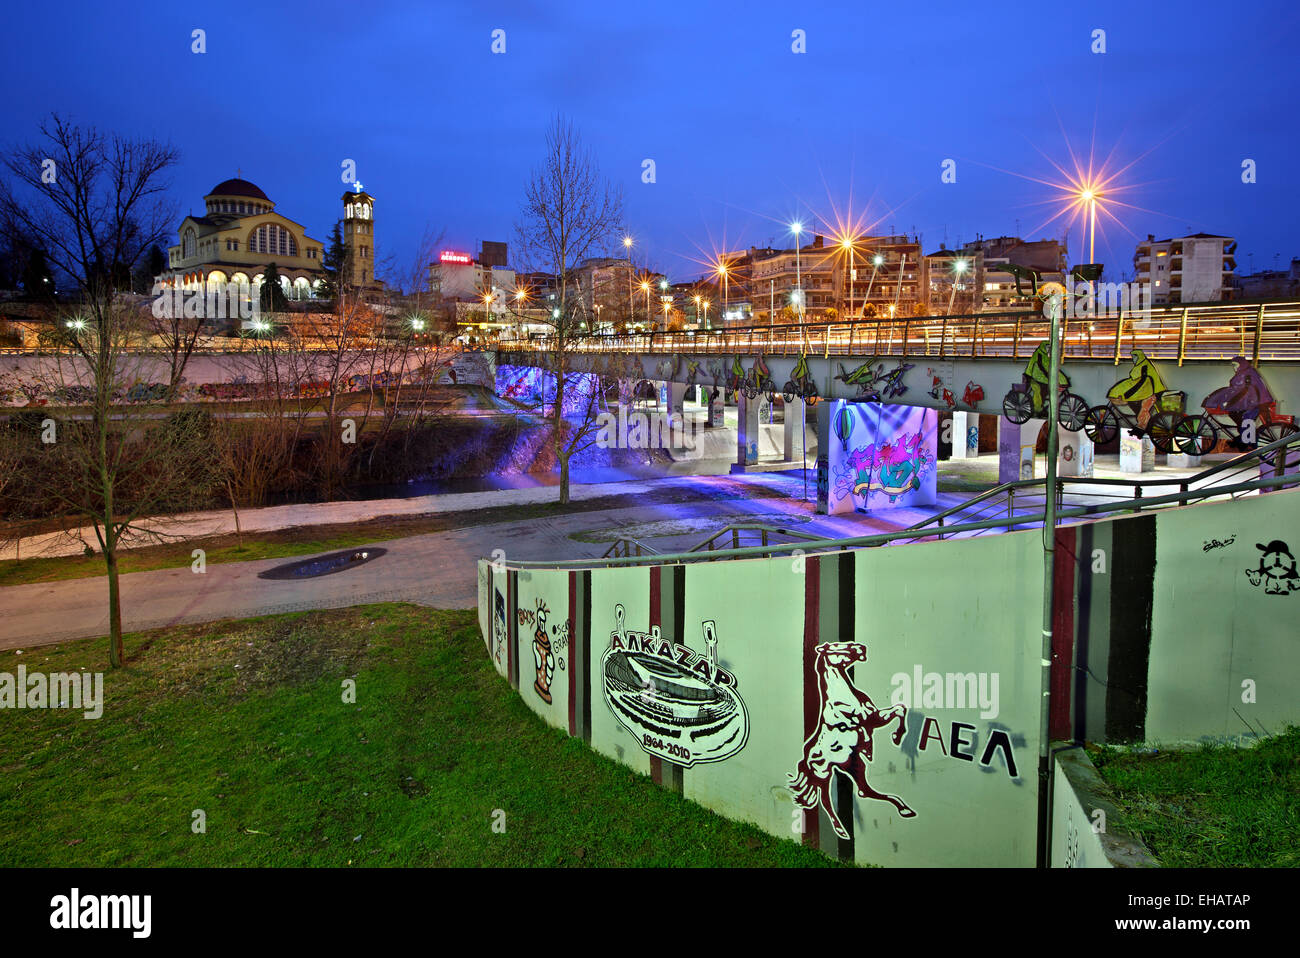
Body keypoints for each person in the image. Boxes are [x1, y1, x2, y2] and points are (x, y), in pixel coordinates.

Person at [1024, 341, 1067, 413]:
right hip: (1034, 376)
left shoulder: (1044, 355)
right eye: (1047, 348)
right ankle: (1038, 409)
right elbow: (1042, 367)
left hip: (1040, 376)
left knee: (1046, 390)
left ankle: (1041, 407)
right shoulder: (1039, 354)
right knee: (1040, 391)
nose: (1048, 350)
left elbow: (1047, 367)